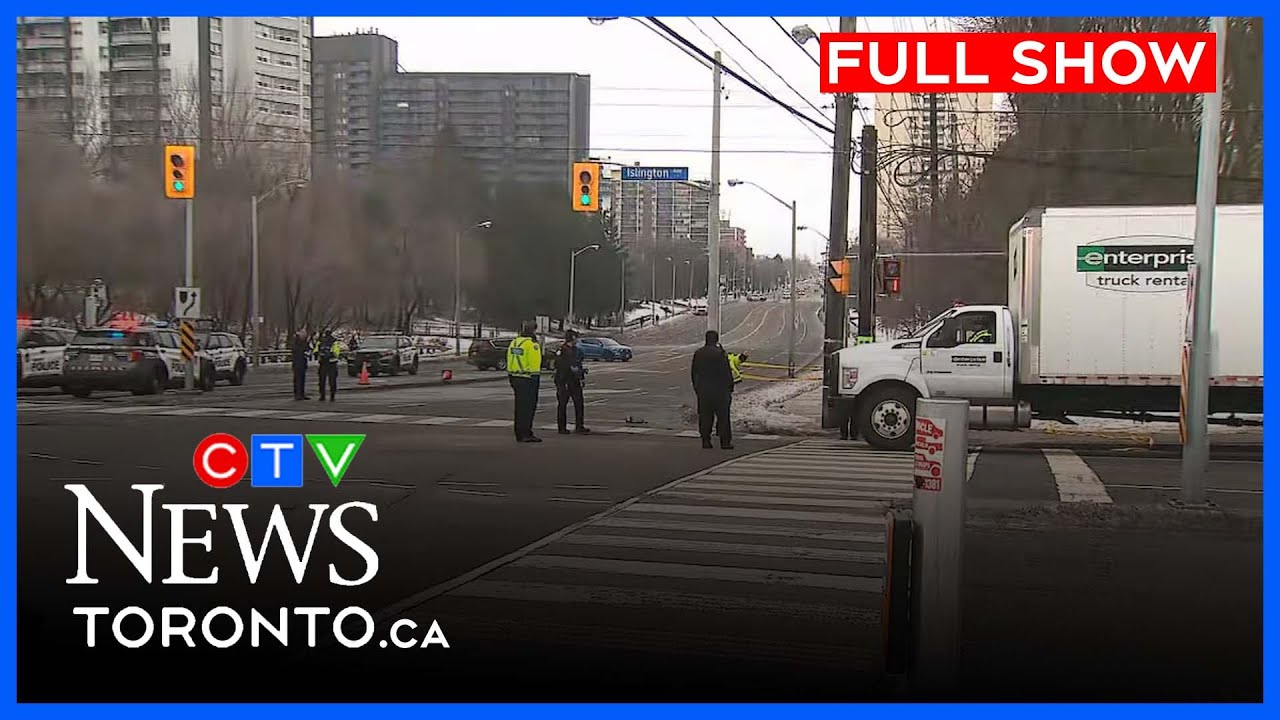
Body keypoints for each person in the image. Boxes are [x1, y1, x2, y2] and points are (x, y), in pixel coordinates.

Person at [691, 330, 734, 450]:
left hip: (704, 390)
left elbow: (694, 372)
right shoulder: (720, 353)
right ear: (716, 339)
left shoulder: (698, 353)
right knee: (723, 417)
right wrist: (730, 387)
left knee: (705, 416)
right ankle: (725, 442)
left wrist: (697, 387)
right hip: (720, 390)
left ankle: (705, 440)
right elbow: (726, 372)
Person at [506, 321, 543, 443]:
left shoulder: (515, 342)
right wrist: (535, 378)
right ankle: (526, 432)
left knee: (519, 407)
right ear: (533, 331)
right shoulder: (531, 344)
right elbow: (535, 363)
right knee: (528, 407)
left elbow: (509, 358)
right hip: (528, 378)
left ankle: (519, 432)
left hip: (514, 377)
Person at [554, 330, 591, 435]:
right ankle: (562, 428)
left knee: (579, 403)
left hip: (575, 380)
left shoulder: (576, 350)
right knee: (562, 404)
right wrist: (564, 378)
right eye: (576, 338)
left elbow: (578, 364)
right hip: (564, 380)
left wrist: (581, 377)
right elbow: (560, 366)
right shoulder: (562, 350)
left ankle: (579, 426)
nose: (577, 340)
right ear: (572, 337)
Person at [313, 329, 342, 402]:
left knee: (322, 380)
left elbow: (315, 352)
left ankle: (322, 396)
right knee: (332, 381)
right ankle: (332, 396)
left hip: (323, 363)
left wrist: (320, 355)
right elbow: (336, 353)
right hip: (332, 363)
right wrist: (331, 355)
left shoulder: (320, 341)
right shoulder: (334, 342)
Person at [290, 327, 311, 400]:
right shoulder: (296, 342)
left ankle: (301, 393)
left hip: (303, 362)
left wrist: (308, 351)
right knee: (298, 379)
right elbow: (296, 350)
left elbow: (308, 349)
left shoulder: (304, 342)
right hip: (297, 363)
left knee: (302, 379)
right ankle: (297, 394)